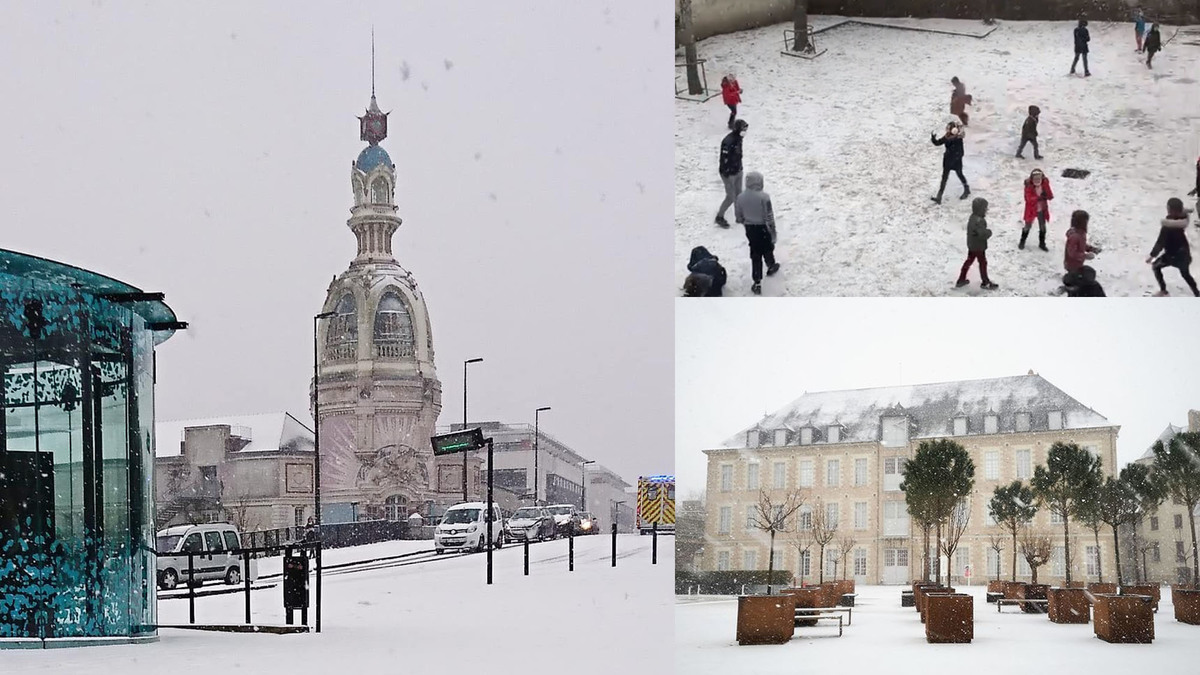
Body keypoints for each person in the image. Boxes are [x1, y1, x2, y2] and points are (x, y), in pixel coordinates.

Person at [734, 170, 780, 295]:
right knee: (767, 247)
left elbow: (738, 215)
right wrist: (773, 232)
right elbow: (769, 216)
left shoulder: (740, 197)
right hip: (762, 227)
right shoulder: (764, 197)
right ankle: (771, 265)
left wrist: (743, 221)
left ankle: (757, 281)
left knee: (755, 253)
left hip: (750, 229)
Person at [1146, 197, 1198, 296]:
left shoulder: (1168, 226)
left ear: (1172, 210)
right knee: (1186, 275)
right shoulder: (1181, 220)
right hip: (1184, 254)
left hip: (1172, 256)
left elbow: (1160, 242)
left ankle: (1163, 290)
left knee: (1156, 266)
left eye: (1168, 208)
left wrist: (1152, 255)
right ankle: (1197, 293)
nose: (1167, 209)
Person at [956, 197, 998, 289]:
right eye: (985, 208)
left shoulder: (972, 217)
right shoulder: (979, 220)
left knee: (969, 261)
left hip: (972, 245)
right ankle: (985, 282)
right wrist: (988, 232)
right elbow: (981, 233)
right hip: (978, 246)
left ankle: (961, 279)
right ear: (981, 209)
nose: (986, 210)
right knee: (982, 263)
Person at [716, 119, 747, 227]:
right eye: (744, 129)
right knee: (730, 196)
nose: (745, 131)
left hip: (738, 170)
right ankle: (719, 216)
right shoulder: (728, 141)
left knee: (739, 194)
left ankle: (739, 216)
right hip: (729, 174)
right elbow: (724, 160)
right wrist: (727, 173)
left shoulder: (739, 138)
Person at [931, 121, 969, 204]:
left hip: (956, 161)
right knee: (944, 178)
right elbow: (938, 142)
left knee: (960, 174)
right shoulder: (947, 137)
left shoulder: (958, 139)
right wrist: (933, 139)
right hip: (948, 160)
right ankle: (939, 197)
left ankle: (967, 189)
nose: (947, 130)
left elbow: (961, 152)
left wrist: (955, 158)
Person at [1021, 168, 1054, 251]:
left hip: (1042, 209)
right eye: (1035, 179)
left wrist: (1047, 195)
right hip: (1031, 209)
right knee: (1027, 226)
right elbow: (1028, 198)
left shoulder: (1044, 184)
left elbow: (1050, 195)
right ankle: (1022, 241)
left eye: (1038, 179)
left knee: (1043, 226)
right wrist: (1039, 198)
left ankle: (1042, 243)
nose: (1037, 180)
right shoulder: (1029, 186)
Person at [1064, 209, 1099, 274]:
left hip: (1078, 263)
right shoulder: (1074, 236)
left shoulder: (1081, 233)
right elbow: (1072, 253)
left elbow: (1081, 245)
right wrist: (1085, 256)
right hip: (1072, 265)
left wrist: (1090, 249)